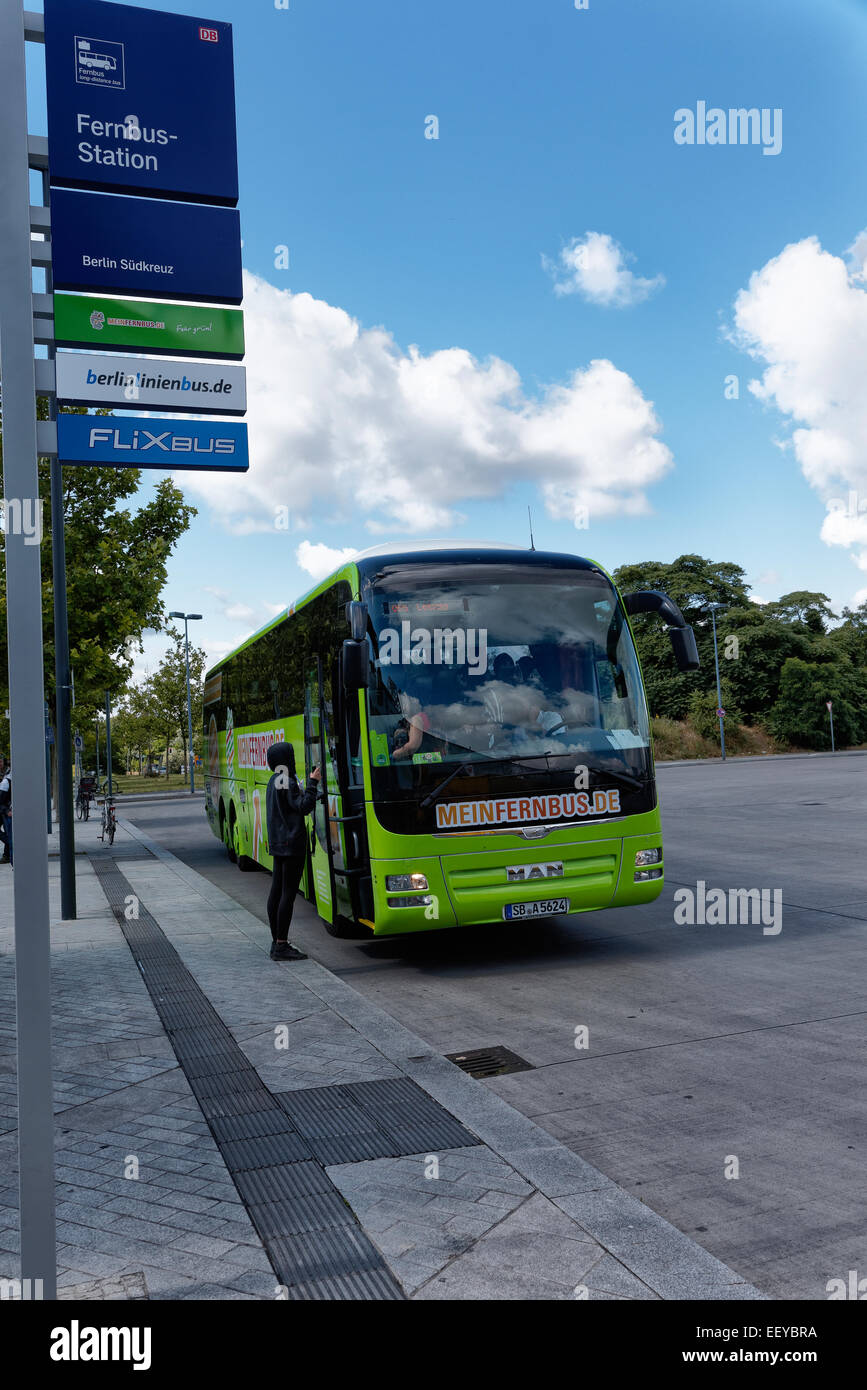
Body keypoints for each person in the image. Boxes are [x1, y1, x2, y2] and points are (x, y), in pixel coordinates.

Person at [265, 742, 320, 961]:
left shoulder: (274, 780)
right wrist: (314, 783)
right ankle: (281, 945)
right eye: (291, 754)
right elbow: (303, 807)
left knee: (276, 891)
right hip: (292, 845)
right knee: (288, 894)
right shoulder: (287, 781)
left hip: (278, 844)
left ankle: (275, 940)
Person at [0, 768, 11, 866]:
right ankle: (10, 845)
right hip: (4, 810)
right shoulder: (6, 778)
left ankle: (7, 854)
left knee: (9, 832)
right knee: (8, 833)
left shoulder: (6, 777)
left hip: (4, 810)